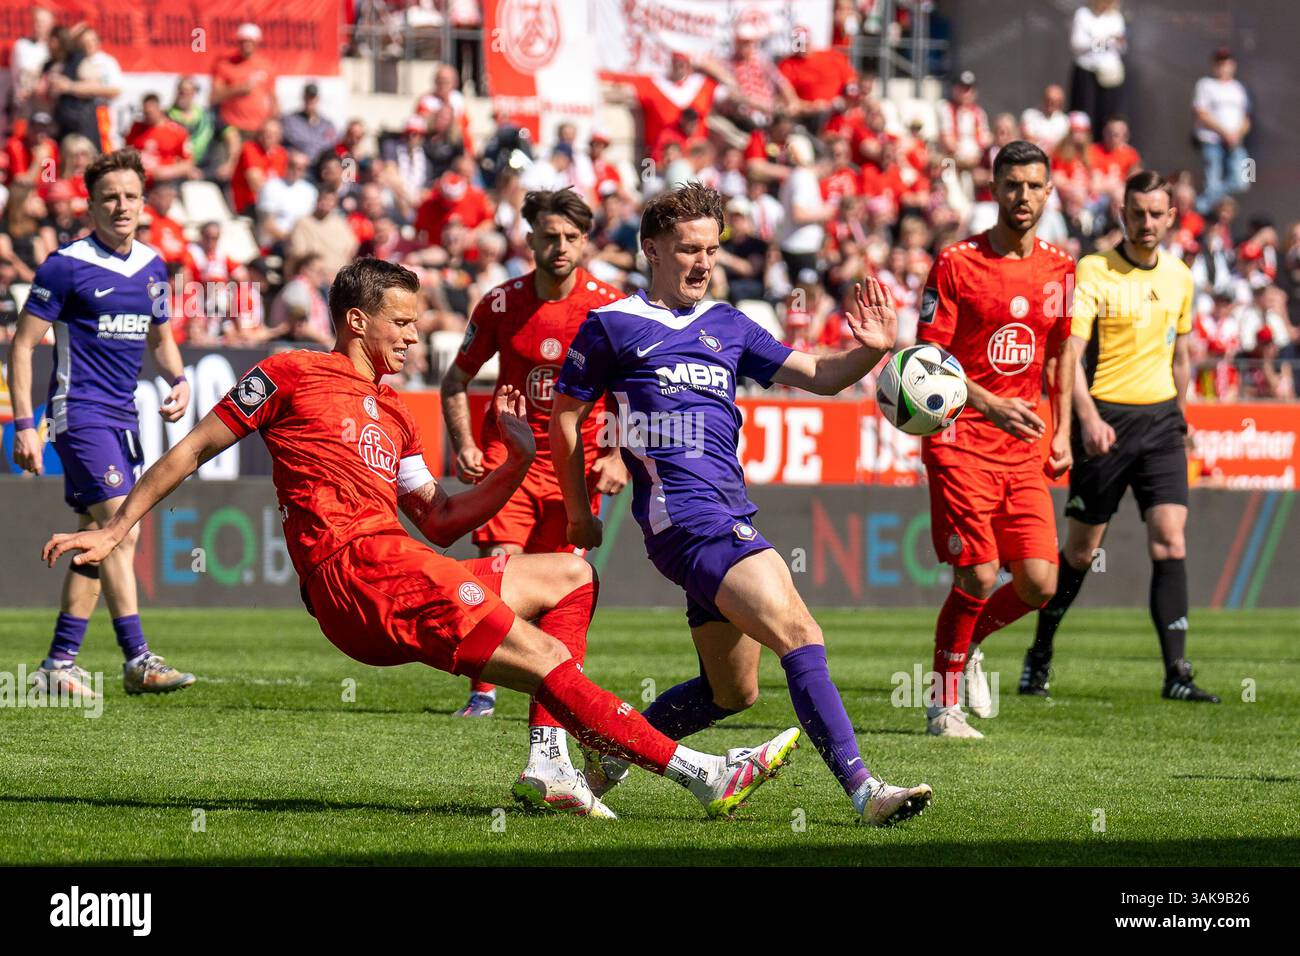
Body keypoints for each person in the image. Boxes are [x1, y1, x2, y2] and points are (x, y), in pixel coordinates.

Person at [42, 256, 801, 821]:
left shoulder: (398, 413)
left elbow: (439, 517)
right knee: (540, 657)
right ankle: (704, 773)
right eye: (402, 322)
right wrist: (117, 526)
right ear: (356, 320)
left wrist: (519, 465)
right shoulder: (288, 373)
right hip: (357, 570)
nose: (414, 335)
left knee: (573, 577)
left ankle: (552, 761)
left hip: (398, 561)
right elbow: (193, 449)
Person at [550, 182, 932, 826]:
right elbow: (565, 416)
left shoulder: (727, 324)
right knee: (802, 635)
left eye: (711, 250)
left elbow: (819, 376)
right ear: (651, 249)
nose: (703, 262)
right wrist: (578, 510)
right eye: (688, 249)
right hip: (689, 523)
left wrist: (873, 348)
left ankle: (612, 748)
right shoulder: (613, 326)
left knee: (733, 691)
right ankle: (867, 791)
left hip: (727, 514)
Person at [7, 148, 194, 698]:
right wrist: (24, 423)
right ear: (89, 204)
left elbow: (161, 340)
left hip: (124, 418)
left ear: (143, 202)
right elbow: (22, 346)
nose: (121, 206)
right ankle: (137, 658)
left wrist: (177, 381)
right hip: (78, 413)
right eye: (110, 196)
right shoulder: (65, 266)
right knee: (123, 528)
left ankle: (58, 665)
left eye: (131, 196)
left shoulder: (154, 267)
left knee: (99, 537)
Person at [1030, 170, 1220, 703]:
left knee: (1171, 540)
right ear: (1123, 213)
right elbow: (1070, 355)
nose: (1146, 223)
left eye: (1156, 214)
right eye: (1137, 213)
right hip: (1106, 420)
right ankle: (1040, 653)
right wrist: (1086, 418)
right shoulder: (1094, 270)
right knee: (1081, 552)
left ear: (1170, 216)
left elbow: (1181, 355)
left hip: (1160, 423)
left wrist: (1180, 419)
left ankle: (1177, 673)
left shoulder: (1181, 276)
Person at [441, 188, 628, 720]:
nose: (560, 247)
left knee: (564, 591)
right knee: (501, 578)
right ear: (530, 240)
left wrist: (619, 456)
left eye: (571, 237)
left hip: (579, 467)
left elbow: (634, 391)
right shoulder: (501, 303)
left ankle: (558, 696)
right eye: (550, 237)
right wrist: (465, 444)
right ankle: (483, 693)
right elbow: (455, 379)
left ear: (587, 241)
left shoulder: (610, 308)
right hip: (512, 464)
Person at [916, 140, 1076, 739]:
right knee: (979, 575)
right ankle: (942, 706)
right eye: (1013, 185)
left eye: (1035, 185)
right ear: (994, 188)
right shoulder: (956, 262)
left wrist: (1060, 433)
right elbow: (926, 357)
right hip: (958, 439)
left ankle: (972, 641)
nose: (1024, 197)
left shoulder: (1061, 267)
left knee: (1038, 583)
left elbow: (1059, 359)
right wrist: (989, 404)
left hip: (1024, 449)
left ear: (1050, 190)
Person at [1192, 48, 1252, 214]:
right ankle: (1204, 214)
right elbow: (1201, 113)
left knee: (1245, 179)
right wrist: (1224, 132)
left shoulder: (1239, 88)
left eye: (1227, 63)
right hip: (1212, 141)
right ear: (1214, 66)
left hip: (1235, 143)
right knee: (1212, 182)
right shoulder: (1205, 84)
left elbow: (1247, 118)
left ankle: (1200, 205)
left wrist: (1237, 134)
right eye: (1220, 63)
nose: (1223, 67)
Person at [1069, 0, 1127, 133]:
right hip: (1086, 73)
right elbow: (1077, 44)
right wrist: (1105, 41)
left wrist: (1097, 42)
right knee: (1084, 115)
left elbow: (1121, 47)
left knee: (1107, 115)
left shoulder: (1116, 17)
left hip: (1109, 76)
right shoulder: (1083, 15)